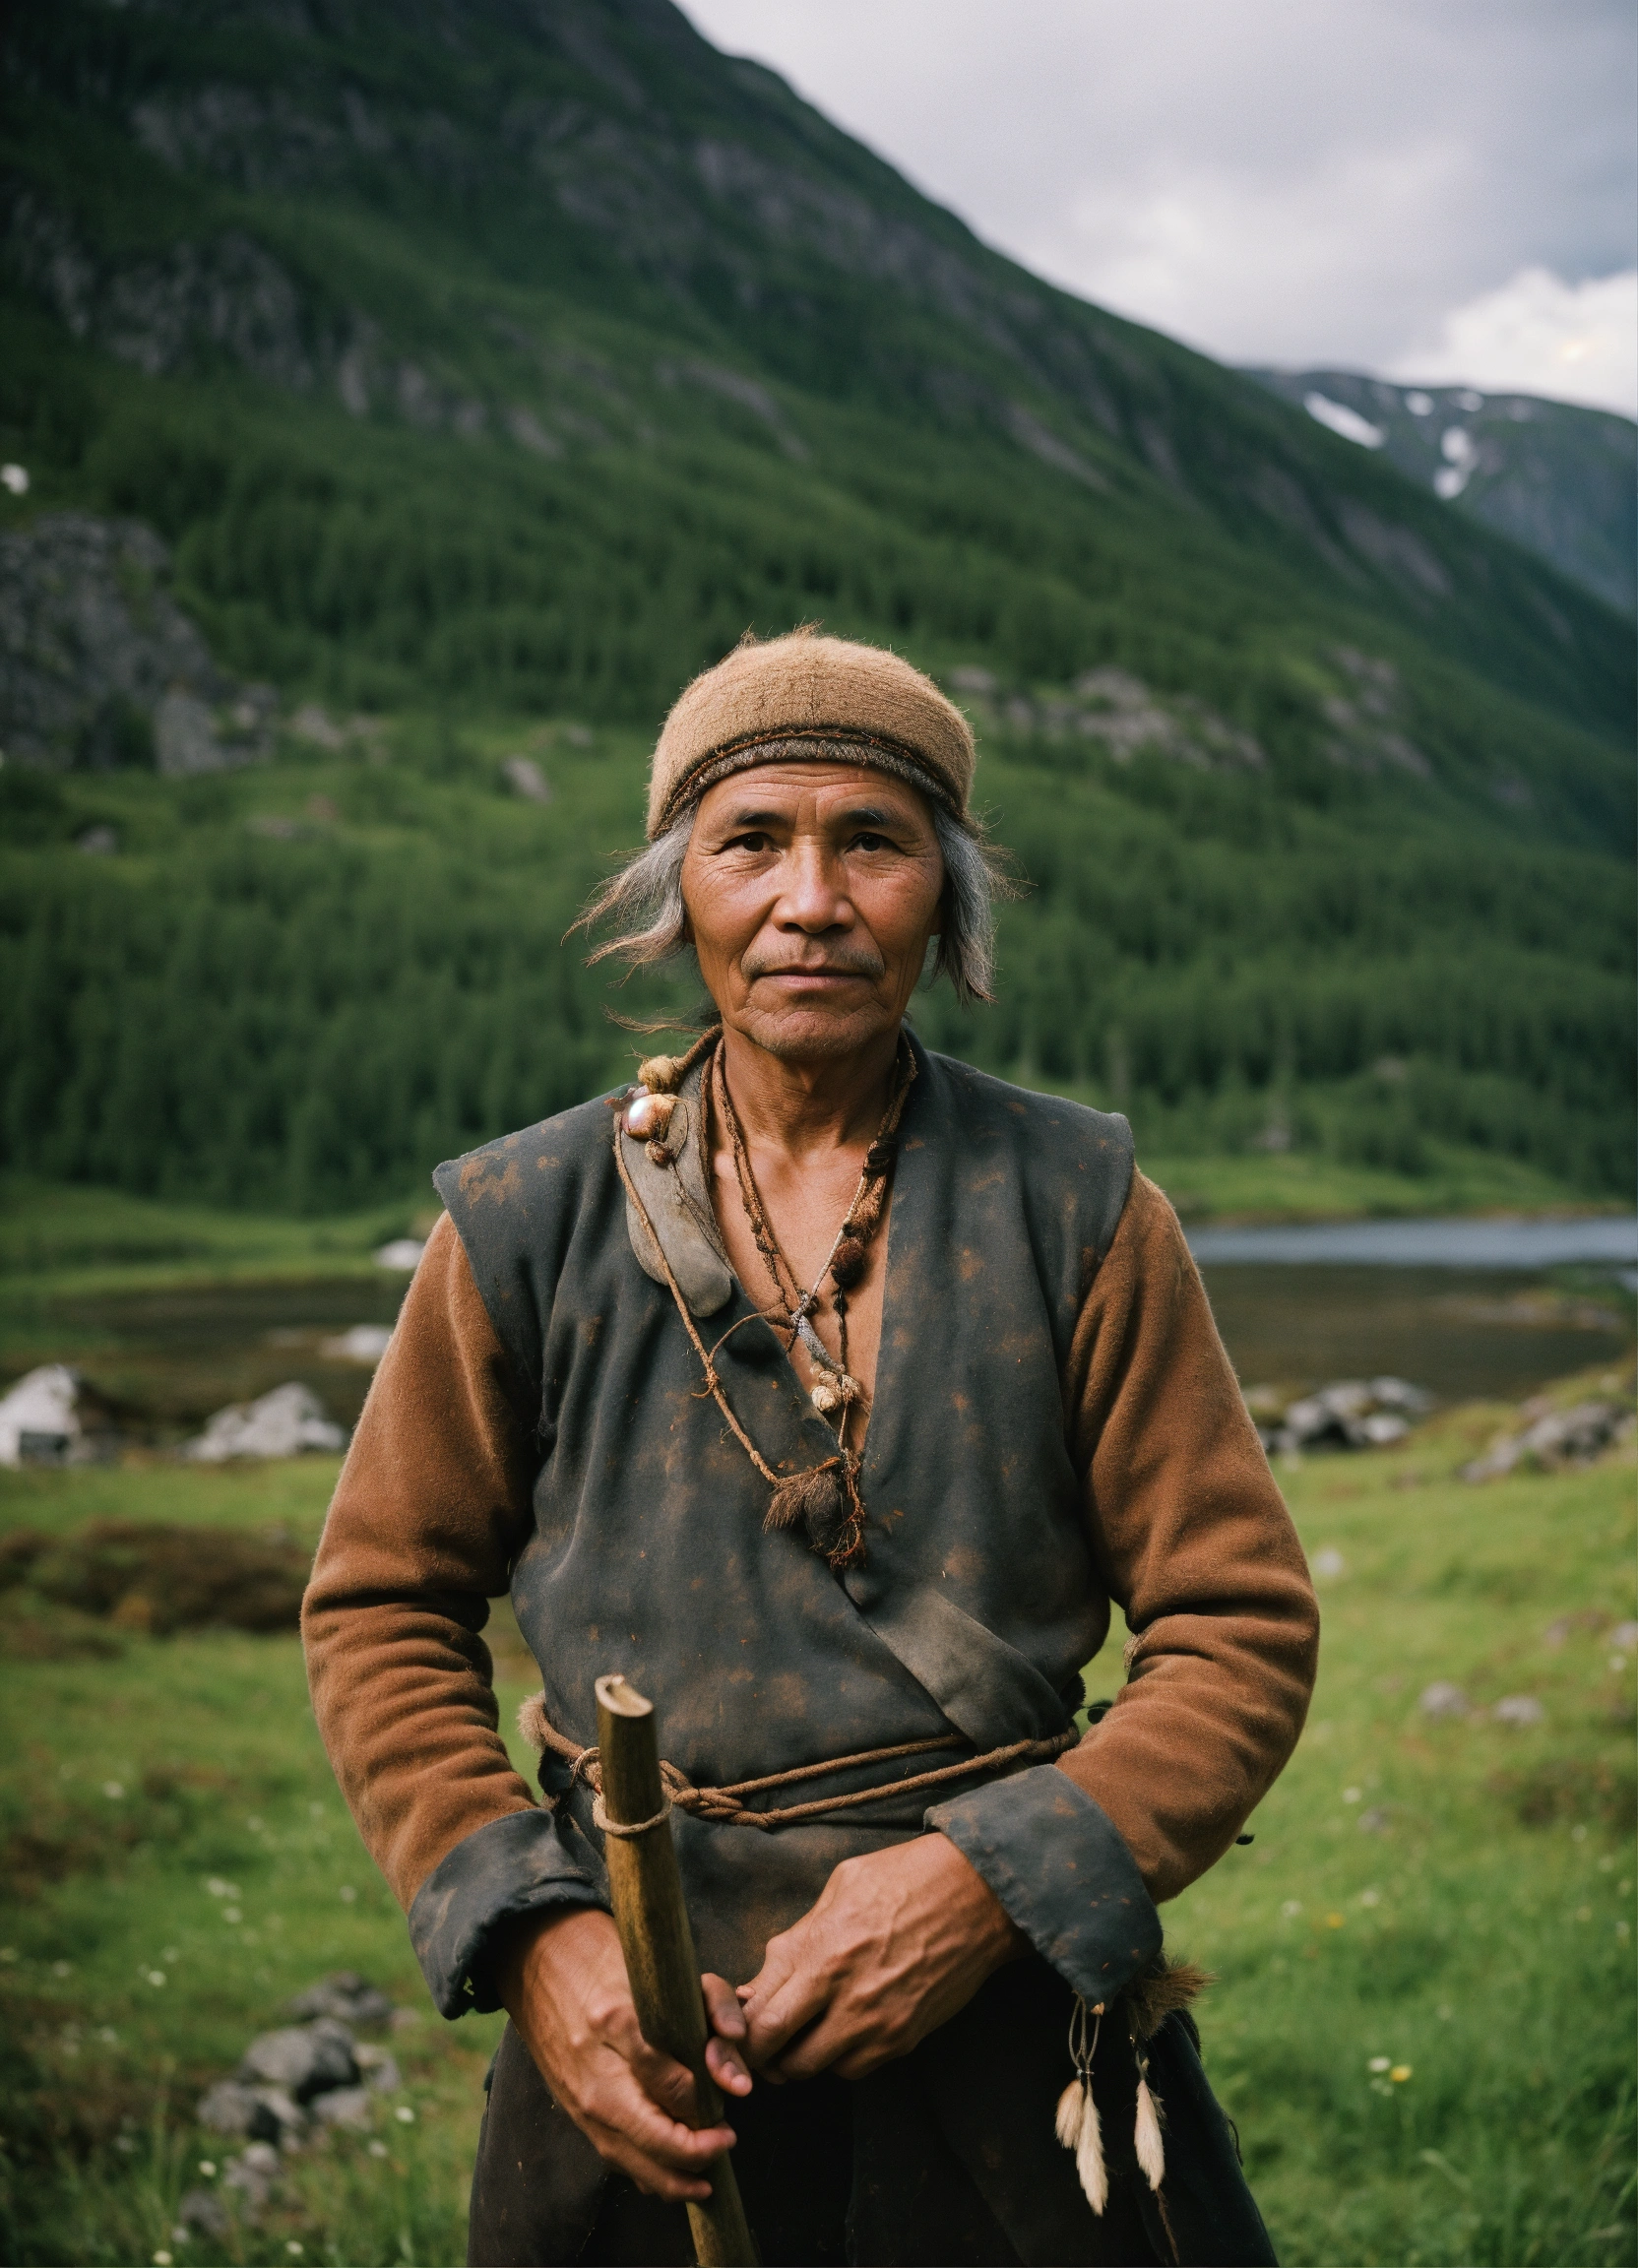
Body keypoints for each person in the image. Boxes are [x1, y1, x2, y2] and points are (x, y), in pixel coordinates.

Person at [303, 629, 1319, 2267]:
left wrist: (991, 1886)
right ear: (678, 886)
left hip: (1009, 2037)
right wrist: (536, 1940)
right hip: (643, 2045)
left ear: (948, 894)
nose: (812, 899)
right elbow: (380, 1607)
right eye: (753, 838)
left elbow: (1241, 1629)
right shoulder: (524, 1223)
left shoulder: (1080, 1211)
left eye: (875, 841)